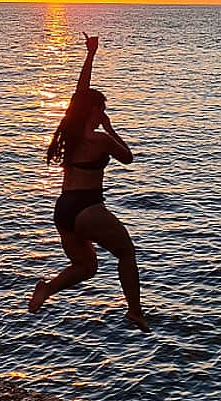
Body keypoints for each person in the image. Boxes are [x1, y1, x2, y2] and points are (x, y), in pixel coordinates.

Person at [28, 32, 150, 332]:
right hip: (87, 208)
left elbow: (79, 92)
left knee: (87, 267)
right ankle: (135, 311)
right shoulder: (98, 139)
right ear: (92, 111)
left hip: (64, 210)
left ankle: (47, 288)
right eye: (102, 109)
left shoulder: (69, 131)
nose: (103, 113)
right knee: (127, 253)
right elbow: (128, 157)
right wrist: (111, 129)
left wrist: (90, 54)